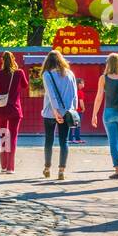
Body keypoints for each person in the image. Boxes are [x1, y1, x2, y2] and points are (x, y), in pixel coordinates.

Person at [92, 53, 118, 179]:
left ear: (108, 64)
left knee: (112, 141)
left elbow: (99, 97)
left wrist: (94, 114)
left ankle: (117, 170)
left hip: (109, 113)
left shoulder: (103, 78)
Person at [40, 50, 78, 180]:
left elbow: (51, 94)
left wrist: (55, 111)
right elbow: (74, 94)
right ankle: (62, 170)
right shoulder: (70, 73)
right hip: (67, 112)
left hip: (50, 112)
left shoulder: (47, 74)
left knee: (49, 140)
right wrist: (73, 109)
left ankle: (47, 168)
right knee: (64, 141)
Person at [0, 53, 28, 173]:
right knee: (13, 138)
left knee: (3, 136)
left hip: (1, 109)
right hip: (15, 109)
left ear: (3, 61)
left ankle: (3, 166)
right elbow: (25, 85)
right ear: (13, 60)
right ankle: (10, 168)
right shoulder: (19, 73)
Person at [69, 78, 86, 144]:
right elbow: (81, 101)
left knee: (71, 125)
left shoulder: (72, 91)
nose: (83, 84)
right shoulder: (80, 92)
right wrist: (83, 108)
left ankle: (70, 139)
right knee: (77, 126)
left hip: (71, 110)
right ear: (78, 84)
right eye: (82, 83)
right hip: (78, 111)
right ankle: (77, 139)